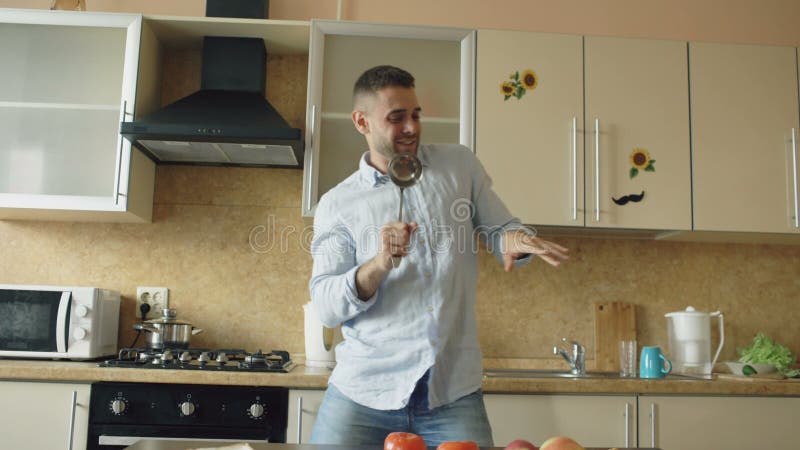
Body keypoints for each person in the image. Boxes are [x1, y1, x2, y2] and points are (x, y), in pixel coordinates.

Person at [308, 65, 568, 447]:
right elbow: (327, 306)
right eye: (396, 118)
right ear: (361, 121)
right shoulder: (337, 204)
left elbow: (500, 227)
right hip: (364, 391)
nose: (412, 127)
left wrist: (513, 239)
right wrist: (380, 264)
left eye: (415, 115)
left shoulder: (459, 166)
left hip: (452, 392)